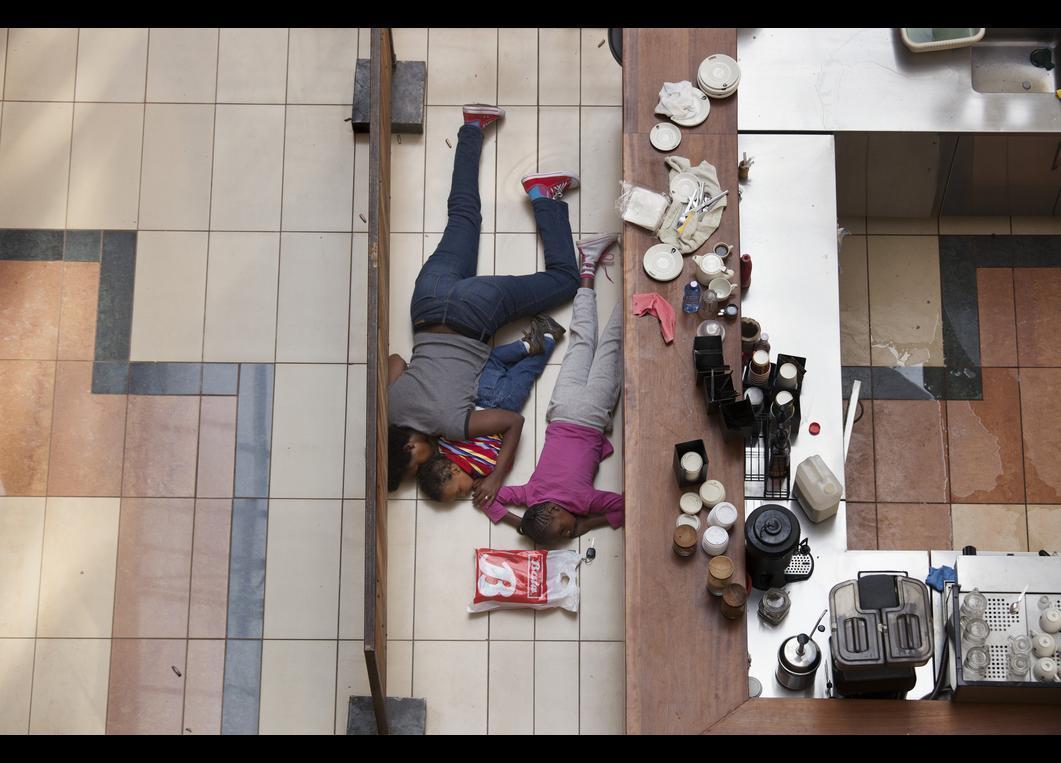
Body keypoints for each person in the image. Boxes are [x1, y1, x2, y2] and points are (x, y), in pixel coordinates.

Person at [388, 104, 613, 507]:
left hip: (476, 313)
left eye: (415, 461)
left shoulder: (449, 427)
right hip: (427, 301)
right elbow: (394, 362)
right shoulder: (389, 406)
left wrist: (497, 475)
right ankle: (473, 126)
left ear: (407, 449)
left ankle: (545, 196)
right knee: (462, 216)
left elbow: (513, 422)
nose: (425, 459)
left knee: (564, 280)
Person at [478, 256, 624, 546]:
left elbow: (623, 505)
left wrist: (587, 524)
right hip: (562, 407)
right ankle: (588, 268)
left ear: (557, 510)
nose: (569, 533)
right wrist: (523, 525)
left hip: (592, 414)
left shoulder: (583, 503)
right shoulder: (530, 495)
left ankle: (633, 290)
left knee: (612, 345)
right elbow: (486, 500)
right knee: (582, 340)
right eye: (567, 535)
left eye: (563, 531)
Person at [388, 312, 564, 492]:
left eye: (416, 466)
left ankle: (548, 337)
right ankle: (525, 346)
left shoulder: (443, 436)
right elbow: (395, 360)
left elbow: (511, 429)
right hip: (477, 386)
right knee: (493, 360)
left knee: (525, 371)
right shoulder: (439, 441)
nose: (421, 470)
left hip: (500, 403)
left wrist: (494, 477)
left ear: (409, 447)